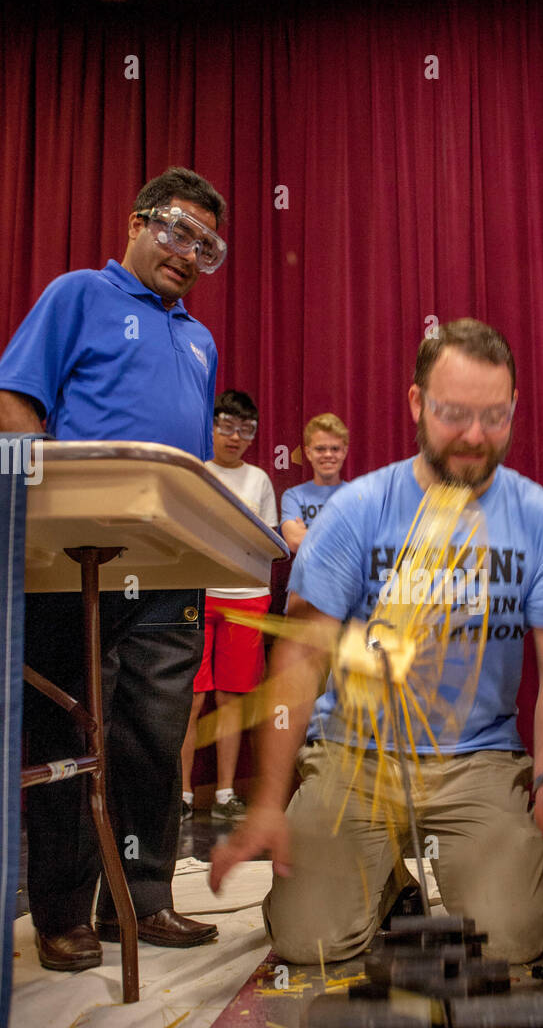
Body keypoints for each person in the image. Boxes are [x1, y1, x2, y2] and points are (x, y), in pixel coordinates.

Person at [211, 318, 543, 963]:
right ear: (417, 404)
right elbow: (299, 656)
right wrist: (267, 800)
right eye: (455, 414)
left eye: (496, 417)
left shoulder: (542, 519)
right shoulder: (354, 510)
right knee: (310, 941)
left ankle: (443, 871)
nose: (476, 438)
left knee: (510, 939)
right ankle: (390, 882)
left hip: (476, 759)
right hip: (353, 752)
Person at [0, 167, 229, 970]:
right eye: (175, 231)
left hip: (170, 567)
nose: (188, 253)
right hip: (74, 563)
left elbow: (195, 462)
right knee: (71, 728)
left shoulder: (198, 338)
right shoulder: (77, 295)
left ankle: (144, 898)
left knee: (152, 739)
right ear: (136, 222)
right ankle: (62, 912)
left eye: (206, 245)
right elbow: (16, 401)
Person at [180, 390, 278, 822]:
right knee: (191, 698)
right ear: (212, 426)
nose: (236, 437)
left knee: (233, 698)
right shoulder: (194, 471)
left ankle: (223, 794)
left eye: (246, 430)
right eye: (227, 426)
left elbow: (270, 544)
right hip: (197, 596)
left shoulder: (259, 480)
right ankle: (181, 795)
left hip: (246, 599)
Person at [279, 413, 348, 553]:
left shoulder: (360, 496)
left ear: (344, 452)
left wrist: (309, 534)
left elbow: (366, 545)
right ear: (308, 452)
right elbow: (295, 541)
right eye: (320, 449)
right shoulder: (293, 496)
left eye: (335, 449)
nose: (328, 455)